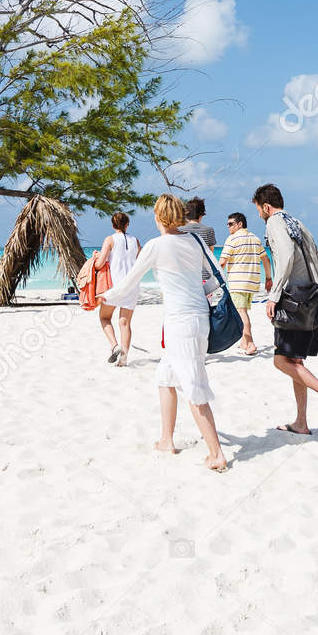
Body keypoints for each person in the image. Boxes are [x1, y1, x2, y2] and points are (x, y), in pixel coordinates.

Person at [101, 194, 229, 471]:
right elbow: (219, 276)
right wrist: (197, 294)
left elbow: (129, 281)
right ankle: (166, 440)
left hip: (180, 323)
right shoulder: (194, 241)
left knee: (194, 387)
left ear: (158, 217)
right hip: (198, 318)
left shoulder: (156, 246)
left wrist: (104, 295)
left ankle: (217, 454)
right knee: (165, 376)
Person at [253, 183, 318, 435]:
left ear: (265, 206)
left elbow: (285, 259)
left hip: (292, 301)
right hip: (311, 299)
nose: (259, 216)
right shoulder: (298, 223)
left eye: (258, 211)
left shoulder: (274, 223)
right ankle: (301, 423)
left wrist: (273, 296)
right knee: (296, 361)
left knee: (281, 361)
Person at [219, 212, 272, 355]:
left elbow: (223, 262)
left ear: (239, 224)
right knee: (243, 311)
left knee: (241, 312)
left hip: (238, 282)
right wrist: (268, 278)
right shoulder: (255, 238)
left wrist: (215, 278)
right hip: (252, 282)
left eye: (230, 224)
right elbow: (265, 259)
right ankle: (243, 342)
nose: (228, 227)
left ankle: (250, 343)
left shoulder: (232, 239)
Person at [96, 212, 142, 364]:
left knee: (104, 317)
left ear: (113, 225)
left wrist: (96, 256)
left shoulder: (110, 239)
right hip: (132, 286)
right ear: (127, 224)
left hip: (114, 287)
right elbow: (141, 261)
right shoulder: (135, 240)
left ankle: (115, 345)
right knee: (125, 323)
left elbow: (99, 264)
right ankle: (124, 358)